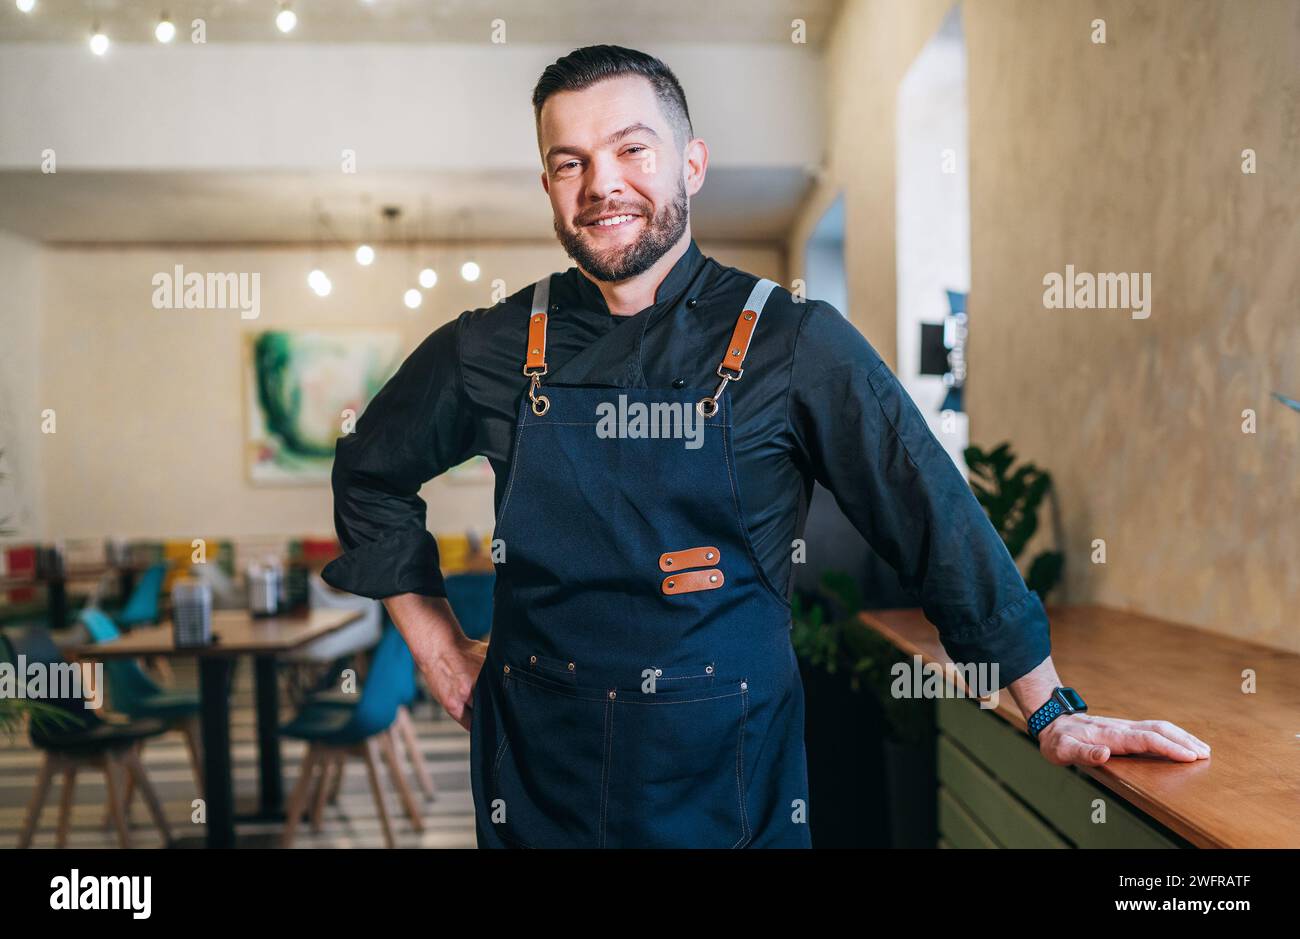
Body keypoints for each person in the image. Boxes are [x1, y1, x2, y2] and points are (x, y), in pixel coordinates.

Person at [322, 45, 1209, 849]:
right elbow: (369, 470)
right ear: (549, 184)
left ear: (691, 164)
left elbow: (932, 515)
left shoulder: (797, 343)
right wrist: (435, 647)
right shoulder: (490, 345)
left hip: (729, 782)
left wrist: (1049, 704)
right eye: (571, 162)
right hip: (538, 782)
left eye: (633, 149)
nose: (603, 184)